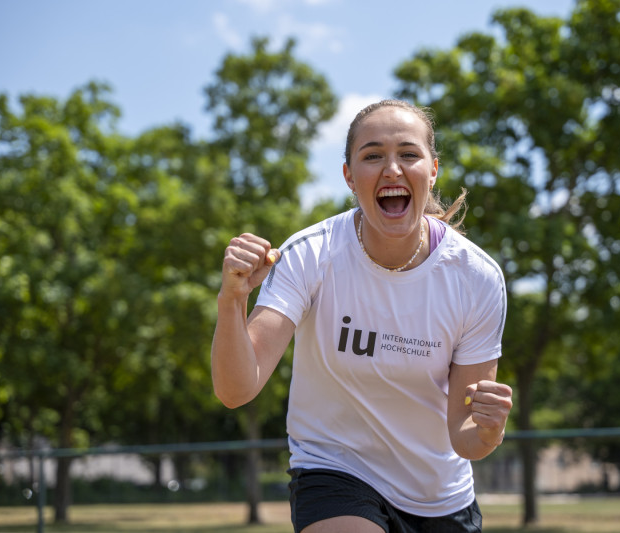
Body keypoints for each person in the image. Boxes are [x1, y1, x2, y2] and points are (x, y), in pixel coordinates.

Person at [212, 99, 512, 533]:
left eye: (408, 154)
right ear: (349, 176)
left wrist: (488, 431)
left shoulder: (476, 277)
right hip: (335, 470)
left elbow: (466, 437)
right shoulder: (311, 254)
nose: (392, 169)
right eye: (372, 156)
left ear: (433, 170)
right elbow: (236, 390)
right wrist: (231, 300)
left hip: (440, 498)